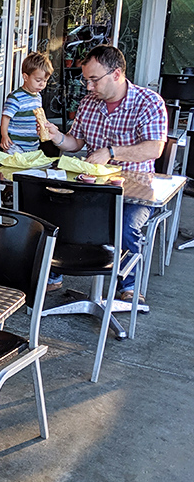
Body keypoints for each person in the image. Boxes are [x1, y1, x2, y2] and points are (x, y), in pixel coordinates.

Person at [44, 44, 168, 302]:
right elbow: (75, 142)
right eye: (86, 80)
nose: (89, 87)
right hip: (92, 185)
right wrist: (56, 137)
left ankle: (129, 284)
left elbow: (154, 148)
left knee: (124, 226)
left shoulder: (149, 102)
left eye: (94, 80)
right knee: (54, 209)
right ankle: (54, 273)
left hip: (135, 187)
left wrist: (111, 151)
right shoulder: (89, 103)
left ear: (116, 73)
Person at [0, 51, 54, 153]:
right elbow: (6, 117)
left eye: (45, 81)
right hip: (15, 145)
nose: (42, 84)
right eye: (38, 80)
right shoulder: (16, 98)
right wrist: (4, 136)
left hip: (32, 145)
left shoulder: (38, 96)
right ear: (25, 77)